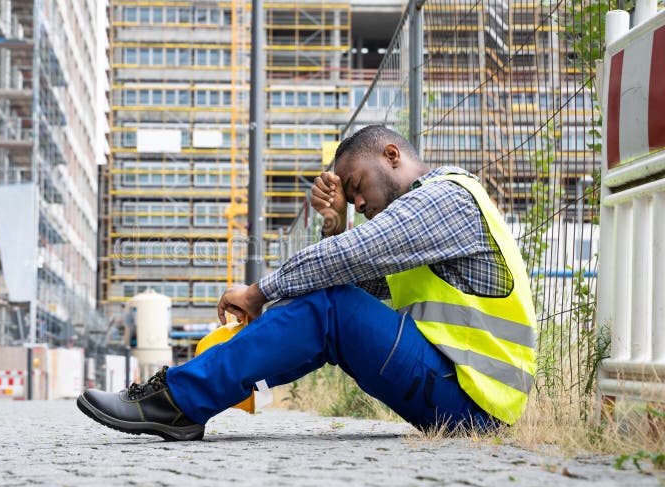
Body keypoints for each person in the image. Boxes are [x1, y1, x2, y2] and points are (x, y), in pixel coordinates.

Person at [77, 125, 537, 442]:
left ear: (391, 156)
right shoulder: (425, 216)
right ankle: (201, 392)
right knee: (329, 303)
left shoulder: (446, 198)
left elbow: (349, 266)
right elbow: (359, 284)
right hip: (457, 392)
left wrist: (257, 292)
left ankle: (179, 399)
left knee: (331, 306)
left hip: (472, 404)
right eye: (351, 200)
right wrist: (334, 227)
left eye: (357, 185)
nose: (358, 203)